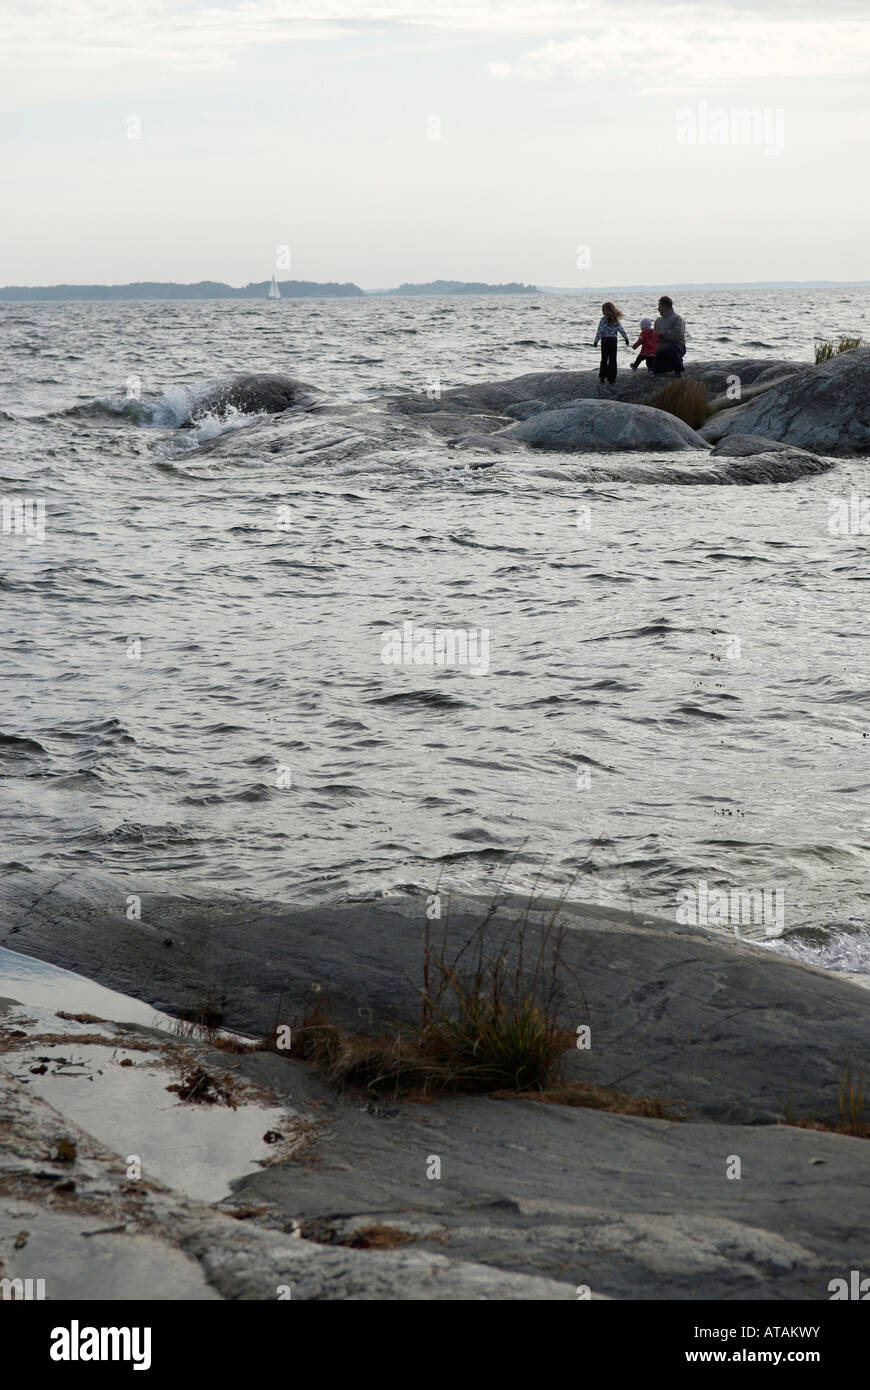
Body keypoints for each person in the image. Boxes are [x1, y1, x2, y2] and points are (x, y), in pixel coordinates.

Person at [593, 301, 630, 384]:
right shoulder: (615, 320)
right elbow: (621, 330)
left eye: (603, 310)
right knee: (613, 360)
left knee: (604, 359)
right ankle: (612, 378)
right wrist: (626, 338)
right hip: (613, 341)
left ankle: (602, 376)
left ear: (606, 310)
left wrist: (596, 341)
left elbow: (600, 331)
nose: (602, 312)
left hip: (605, 341)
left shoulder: (603, 320)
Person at [652, 295, 686, 375]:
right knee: (656, 370)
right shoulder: (658, 321)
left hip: (677, 348)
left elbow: (678, 335)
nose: (658, 308)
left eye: (659, 306)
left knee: (672, 349)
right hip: (662, 349)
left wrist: (661, 333)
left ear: (665, 306)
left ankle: (679, 369)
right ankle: (673, 364)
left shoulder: (677, 319)